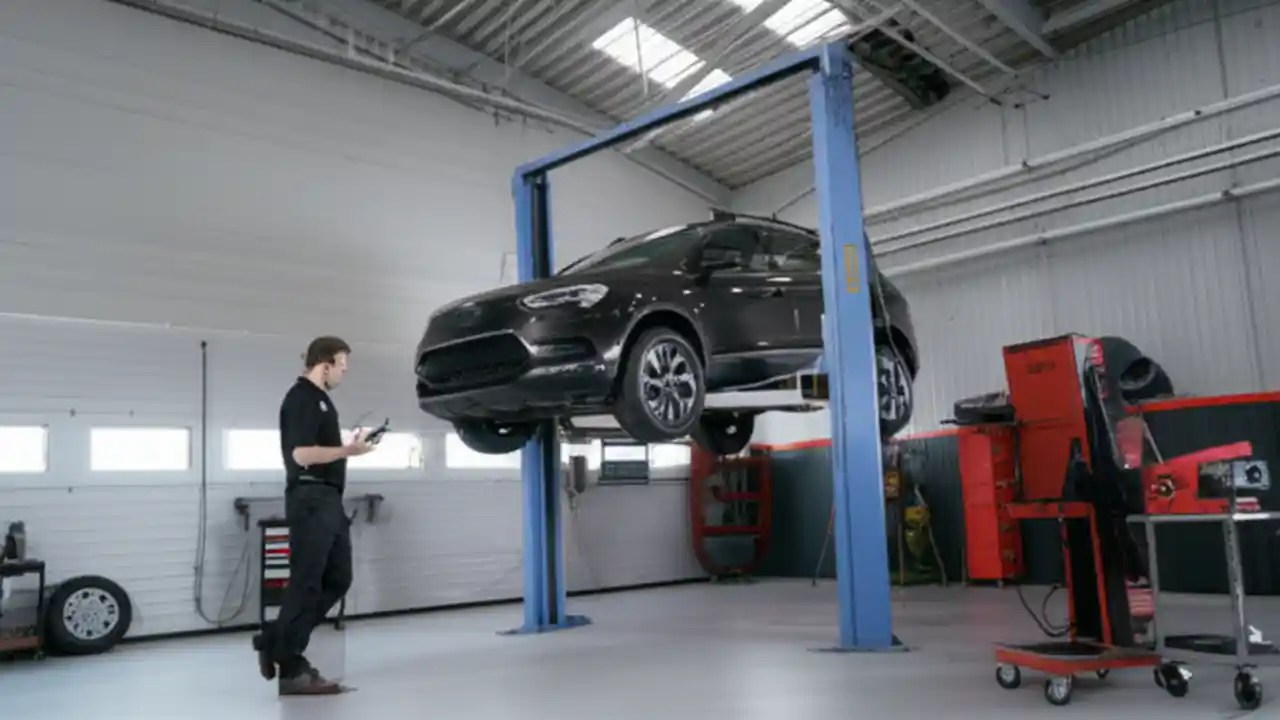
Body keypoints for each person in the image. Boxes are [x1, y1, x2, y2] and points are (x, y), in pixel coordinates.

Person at [252, 336, 374, 695]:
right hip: (310, 498)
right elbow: (301, 454)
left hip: (328, 500)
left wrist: (346, 447)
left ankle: (274, 639)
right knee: (306, 580)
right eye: (342, 366)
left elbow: (321, 449)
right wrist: (347, 449)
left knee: (338, 578)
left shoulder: (322, 401)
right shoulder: (301, 398)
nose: (343, 374)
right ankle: (290, 666)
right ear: (325, 364)